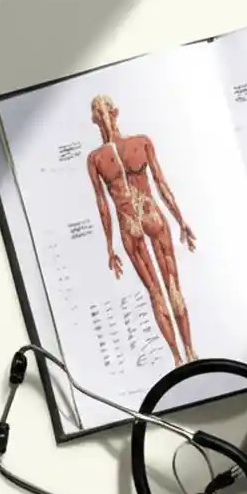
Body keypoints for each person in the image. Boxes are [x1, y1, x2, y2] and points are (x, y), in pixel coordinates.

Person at [87, 94, 197, 366]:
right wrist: (180, 220)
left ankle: (180, 357)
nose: (102, 116)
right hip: (147, 214)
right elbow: (160, 184)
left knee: (160, 291)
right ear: (116, 112)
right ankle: (186, 353)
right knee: (168, 286)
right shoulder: (136, 144)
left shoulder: (98, 157)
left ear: (96, 118)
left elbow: (105, 202)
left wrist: (110, 246)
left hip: (131, 220)